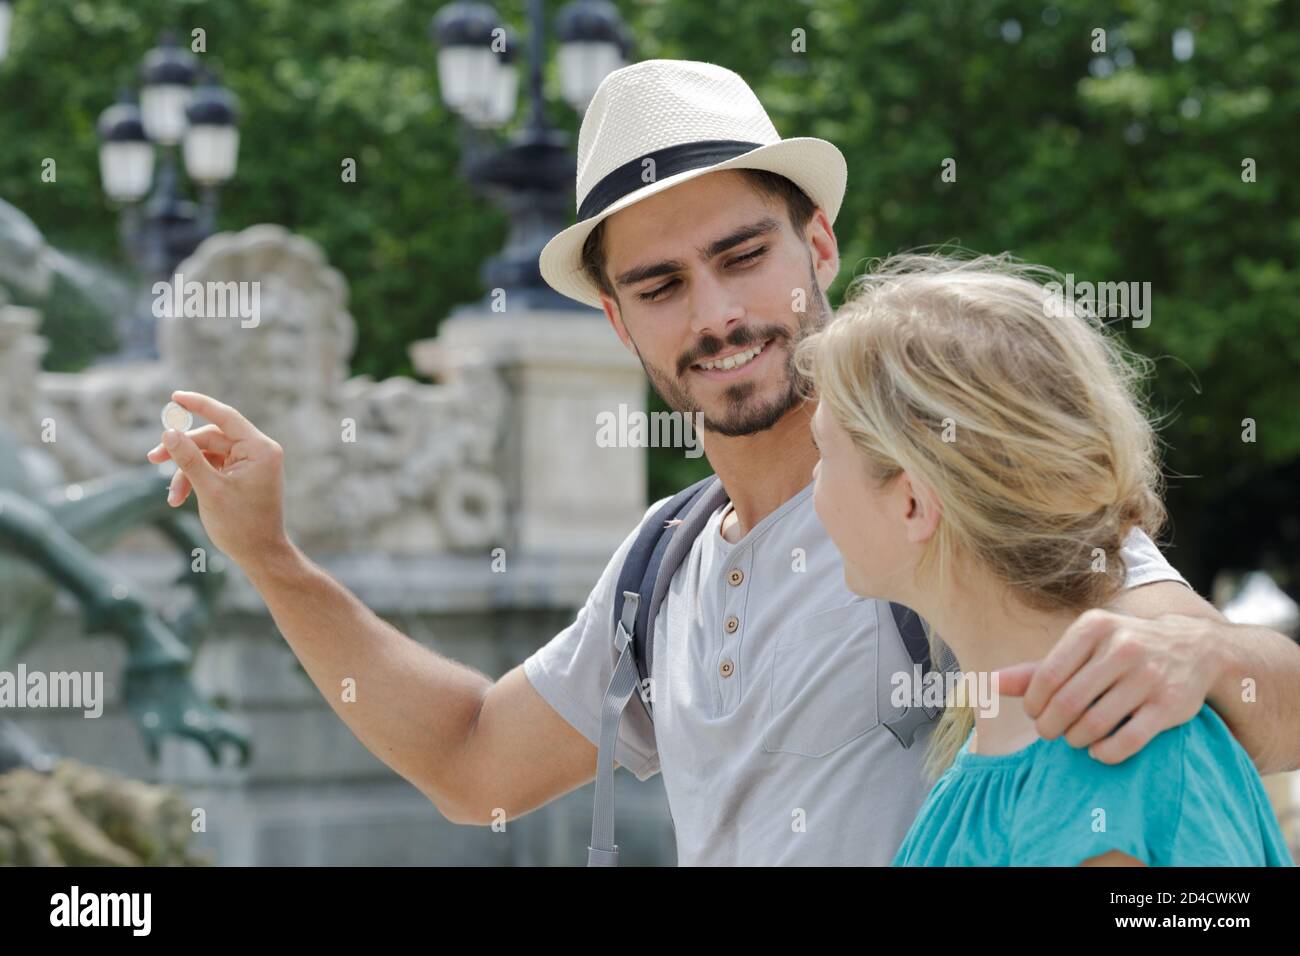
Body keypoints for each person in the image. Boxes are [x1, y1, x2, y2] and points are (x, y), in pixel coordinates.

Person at [148, 60, 1300, 865]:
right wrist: (272, 556)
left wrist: (1205, 646)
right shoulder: (665, 560)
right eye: (659, 285)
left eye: (742, 255)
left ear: (819, 243)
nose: (717, 312)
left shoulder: (949, 489)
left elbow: (1250, 712)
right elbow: (470, 765)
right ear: (618, 322)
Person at [794, 252, 1294, 866]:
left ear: (913, 504)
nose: (813, 478)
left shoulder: (1111, 764)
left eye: (824, 449)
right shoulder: (1001, 747)